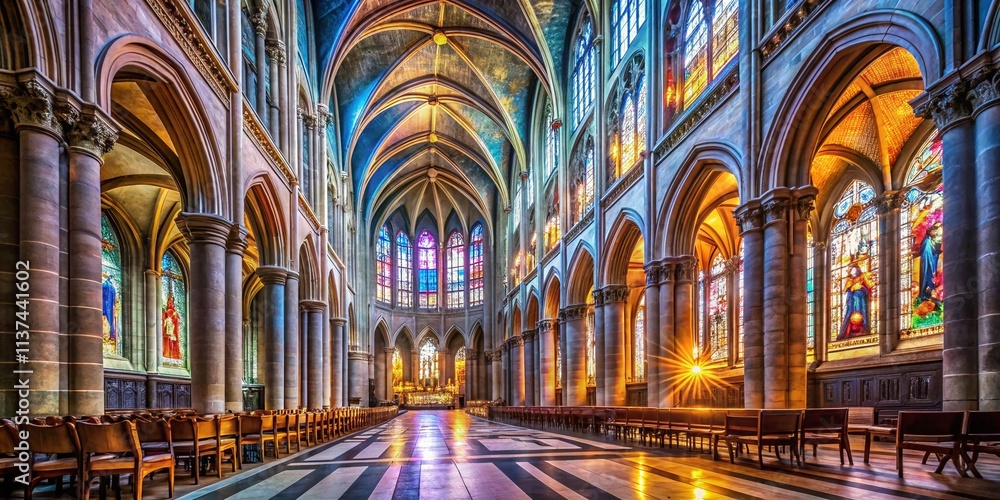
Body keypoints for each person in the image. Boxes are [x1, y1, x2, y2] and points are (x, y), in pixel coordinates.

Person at [838, 262, 872, 340]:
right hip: (852, 301)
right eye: (851, 270)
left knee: (861, 312)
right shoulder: (849, 280)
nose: (852, 272)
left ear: (857, 269)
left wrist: (861, 287)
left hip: (861, 299)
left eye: (853, 269)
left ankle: (862, 328)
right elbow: (846, 290)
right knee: (850, 314)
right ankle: (850, 329)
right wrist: (851, 288)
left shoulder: (862, 276)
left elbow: (869, 285)